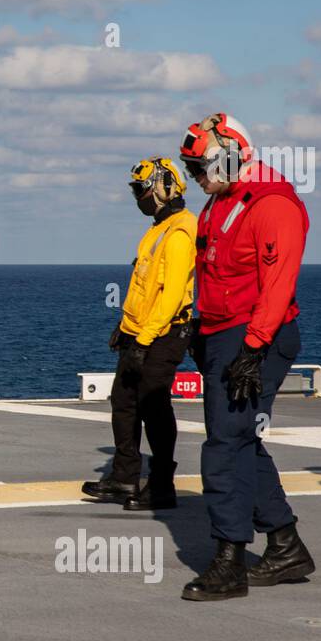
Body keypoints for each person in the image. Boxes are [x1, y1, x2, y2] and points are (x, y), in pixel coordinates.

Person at [179, 112, 315, 601]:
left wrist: (252, 350)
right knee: (241, 443)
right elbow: (214, 274)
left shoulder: (271, 204)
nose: (194, 177)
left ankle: (229, 560)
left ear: (228, 156)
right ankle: (285, 546)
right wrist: (198, 327)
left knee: (223, 446)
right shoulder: (219, 203)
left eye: (198, 166)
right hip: (224, 335)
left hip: (255, 337)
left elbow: (278, 286)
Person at [82, 158, 196, 512]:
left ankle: (162, 485)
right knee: (124, 403)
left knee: (155, 407)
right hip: (140, 331)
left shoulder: (179, 232)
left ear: (165, 187)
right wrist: (125, 327)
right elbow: (143, 288)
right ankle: (124, 476)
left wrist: (143, 341)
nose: (138, 196)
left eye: (141, 189)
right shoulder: (157, 229)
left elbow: (172, 295)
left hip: (164, 333)